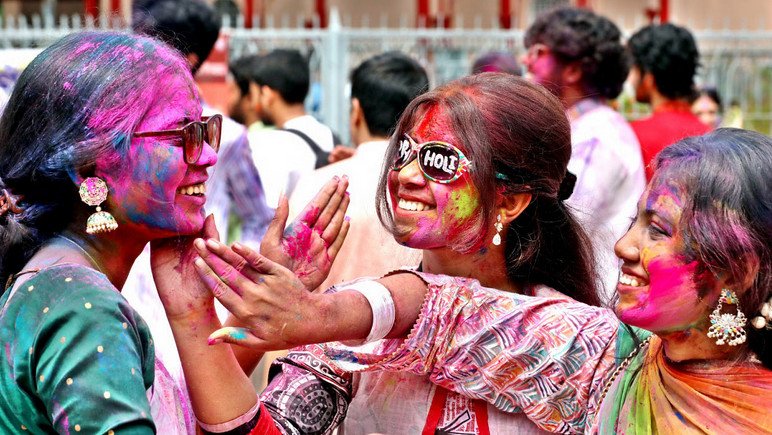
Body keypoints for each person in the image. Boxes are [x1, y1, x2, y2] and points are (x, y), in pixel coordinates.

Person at [199, 128, 772, 434]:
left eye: (658, 229)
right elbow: (434, 311)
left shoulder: (594, 355)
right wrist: (290, 324)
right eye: (404, 151)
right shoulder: (598, 356)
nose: (624, 247)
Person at [163, 73, 602, 434]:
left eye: (441, 161)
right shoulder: (354, 341)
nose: (406, 175)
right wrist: (202, 313)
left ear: (509, 201)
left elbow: (444, 311)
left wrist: (319, 315)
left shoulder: (572, 342)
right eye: (406, 152)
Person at [0, 31, 219, 433]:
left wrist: (196, 314)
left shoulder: (56, 280)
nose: (207, 154)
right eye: (181, 135)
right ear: (89, 170)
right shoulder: (81, 307)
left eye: (205, 130)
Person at [128, 1, 274, 431]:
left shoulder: (230, 138)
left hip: (191, 289)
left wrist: (228, 268)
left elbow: (254, 215)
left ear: (185, 57)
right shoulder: (122, 135)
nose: (204, 157)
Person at [521, 6, 646, 298]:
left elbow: (563, 224)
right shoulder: (581, 127)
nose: (526, 61)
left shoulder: (597, 136)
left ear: (574, 69)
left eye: (538, 52)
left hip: (591, 302)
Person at [289, 51, 429, 290]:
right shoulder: (432, 190)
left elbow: (288, 274)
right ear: (421, 114)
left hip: (321, 324)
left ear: (356, 111)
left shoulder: (316, 185)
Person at [247, 49, 347, 206]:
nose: (252, 105)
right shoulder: (330, 136)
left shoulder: (266, 144)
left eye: (253, 95)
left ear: (267, 94)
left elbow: (269, 212)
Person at [627, 23, 710, 180]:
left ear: (648, 78)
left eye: (635, 69)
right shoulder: (710, 134)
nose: (631, 80)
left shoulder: (633, 136)